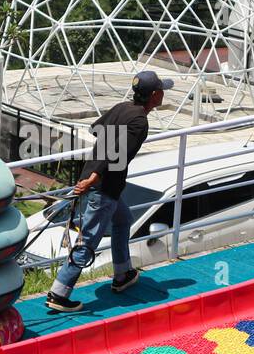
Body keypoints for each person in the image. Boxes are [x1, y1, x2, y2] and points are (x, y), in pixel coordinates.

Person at [46, 70, 172, 313]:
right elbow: (119, 152)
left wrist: (94, 169)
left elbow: (97, 130)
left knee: (123, 220)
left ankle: (123, 273)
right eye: (161, 90)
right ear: (155, 95)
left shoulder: (122, 107)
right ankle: (59, 293)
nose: (163, 93)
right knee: (89, 240)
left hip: (103, 184)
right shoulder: (139, 121)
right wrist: (96, 176)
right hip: (102, 187)